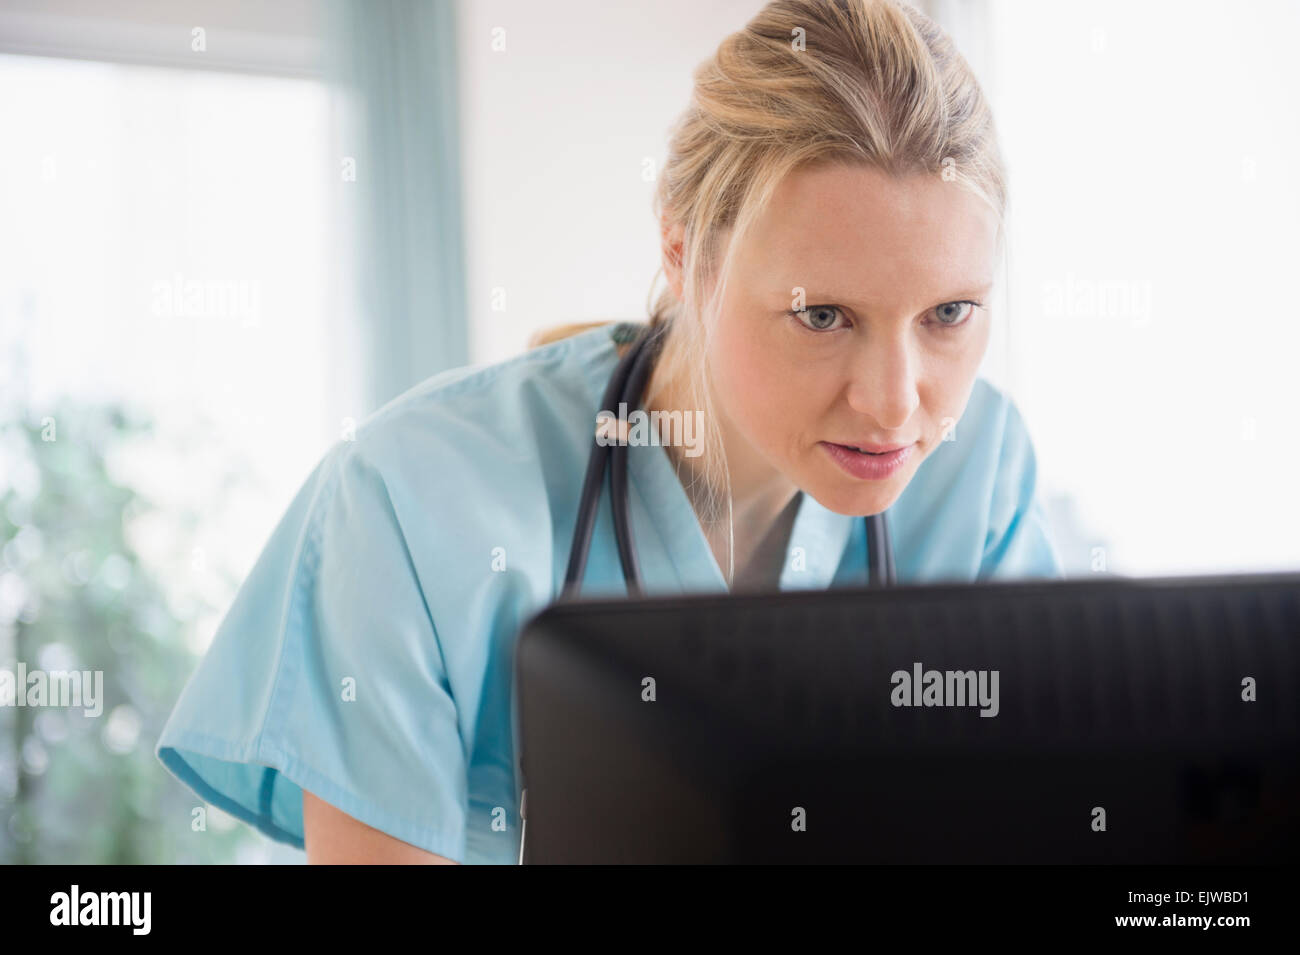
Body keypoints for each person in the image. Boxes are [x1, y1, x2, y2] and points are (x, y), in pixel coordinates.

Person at [155, 0, 1063, 865]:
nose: (896, 404)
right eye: (823, 315)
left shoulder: (979, 473)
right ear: (684, 252)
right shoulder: (410, 503)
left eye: (950, 312)